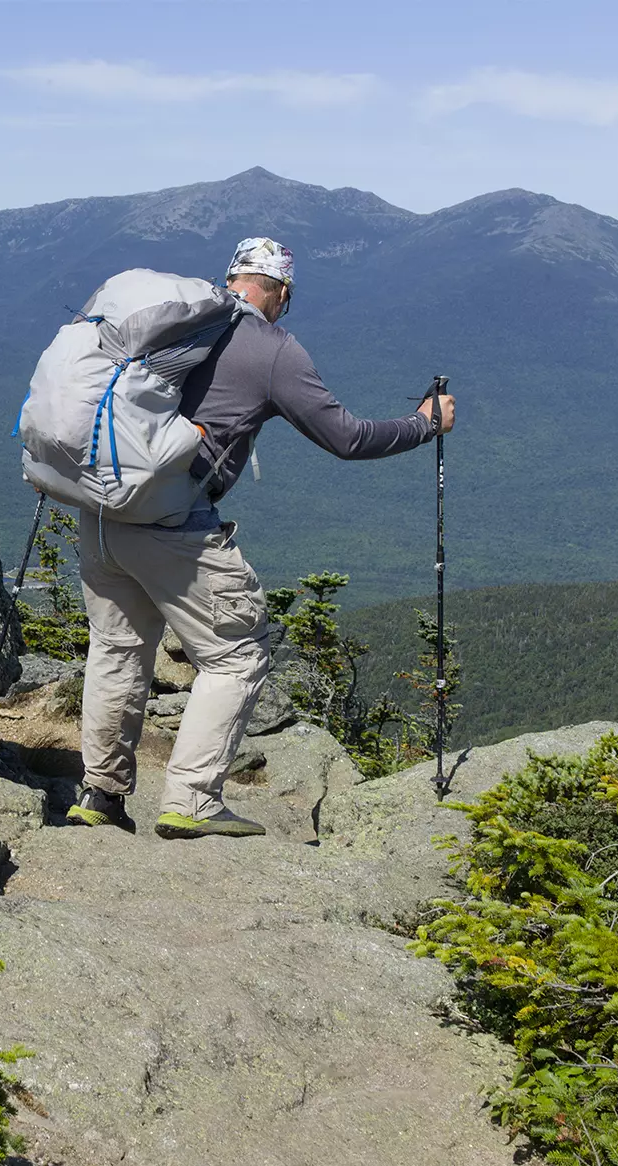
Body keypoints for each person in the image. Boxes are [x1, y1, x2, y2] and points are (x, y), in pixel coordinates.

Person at [64, 236, 455, 838]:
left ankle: (100, 794)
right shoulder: (271, 348)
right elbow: (346, 437)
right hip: (171, 521)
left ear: (232, 280)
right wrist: (424, 423)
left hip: (100, 509)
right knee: (237, 652)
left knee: (118, 651)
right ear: (280, 293)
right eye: (286, 300)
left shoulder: (178, 325)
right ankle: (192, 799)